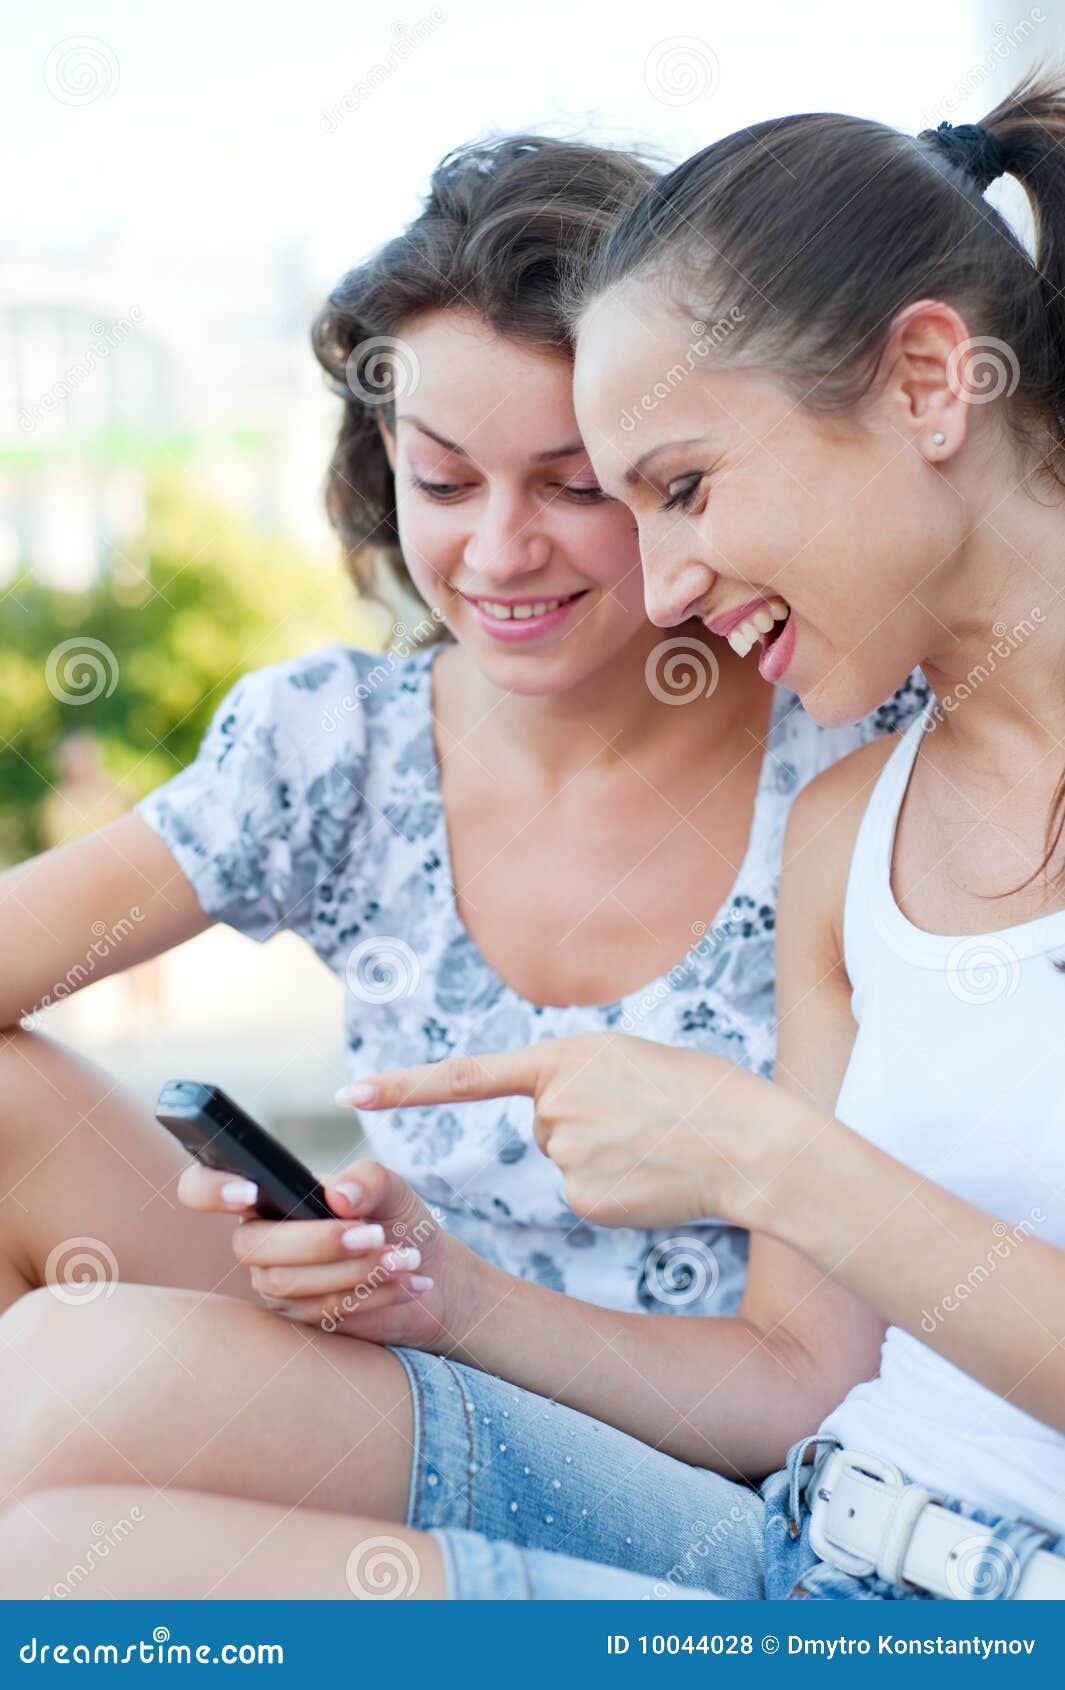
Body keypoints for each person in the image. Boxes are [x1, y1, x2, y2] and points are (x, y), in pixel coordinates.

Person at [18, 72, 1057, 1599]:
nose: (667, 576)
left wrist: (768, 1158)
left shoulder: (821, 753)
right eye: (443, 480)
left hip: (908, 1585)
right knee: (45, 1494)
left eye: (666, 490)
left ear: (922, 383)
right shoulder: (862, 823)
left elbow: (793, 1355)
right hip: (808, 1536)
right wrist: (450, 1293)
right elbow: (807, 1371)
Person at [0, 136, 921, 1330]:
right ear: (388, 460)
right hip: (409, 1372)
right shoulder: (332, 743)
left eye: (575, 486)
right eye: (444, 481)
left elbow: (819, 1358)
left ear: (680, 470)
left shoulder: (856, 735)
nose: (497, 553)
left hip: (729, 1439)